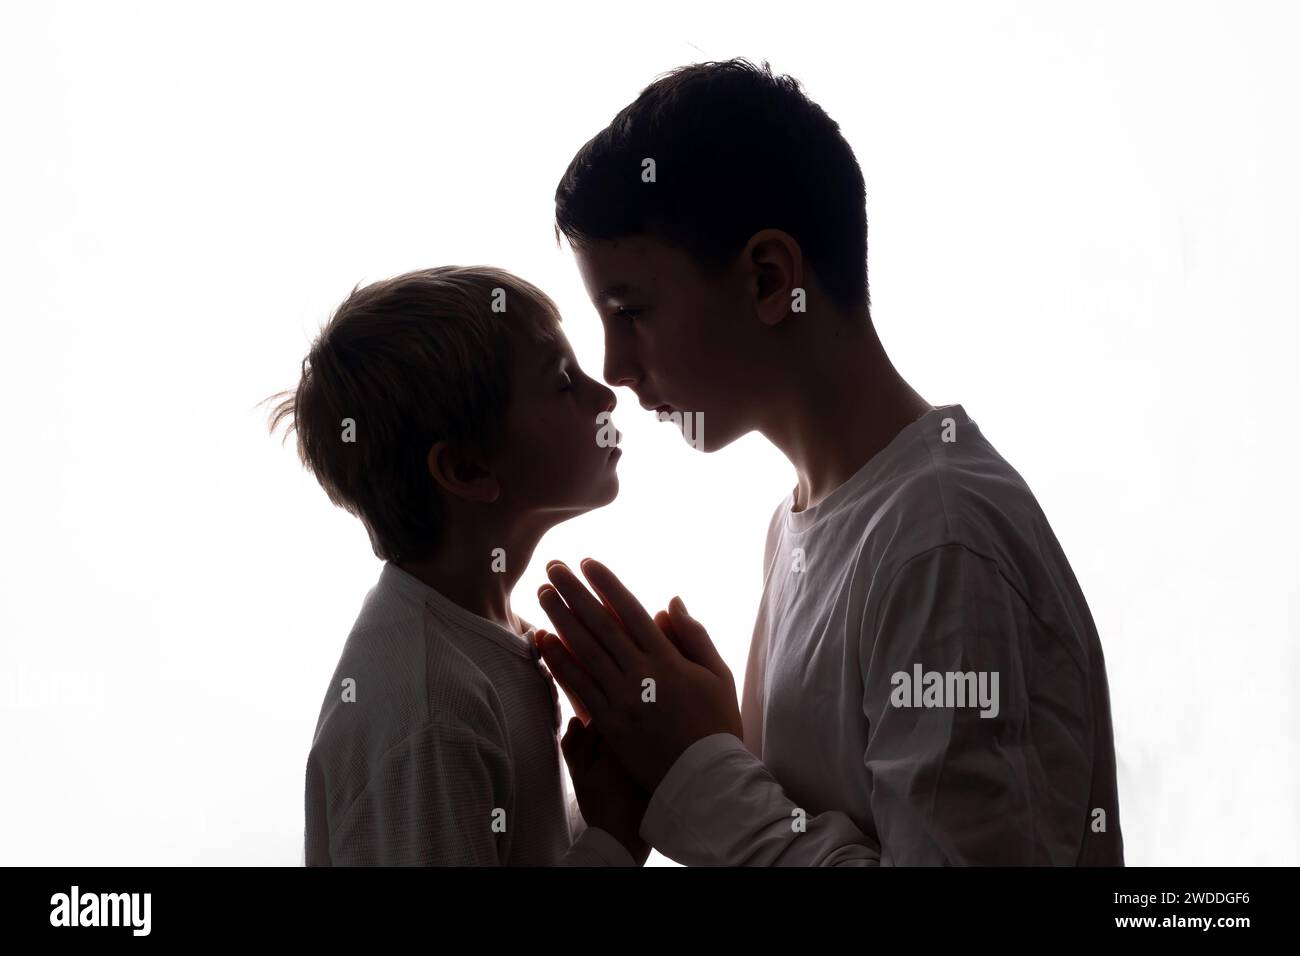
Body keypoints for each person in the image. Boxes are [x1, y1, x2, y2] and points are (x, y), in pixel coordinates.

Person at [535, 58, 1124, 865]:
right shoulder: (800, 523)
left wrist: (698, 770)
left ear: (771, 279)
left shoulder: (940, 543)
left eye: (631, 312)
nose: (615, 366)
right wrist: (708, 754)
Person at [268, 265, 649, 865]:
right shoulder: (427, 709)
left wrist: (605, 813)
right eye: (562, 382)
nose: (605, 395)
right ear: (468, 470)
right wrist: (617, 836)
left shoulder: (487, 640)